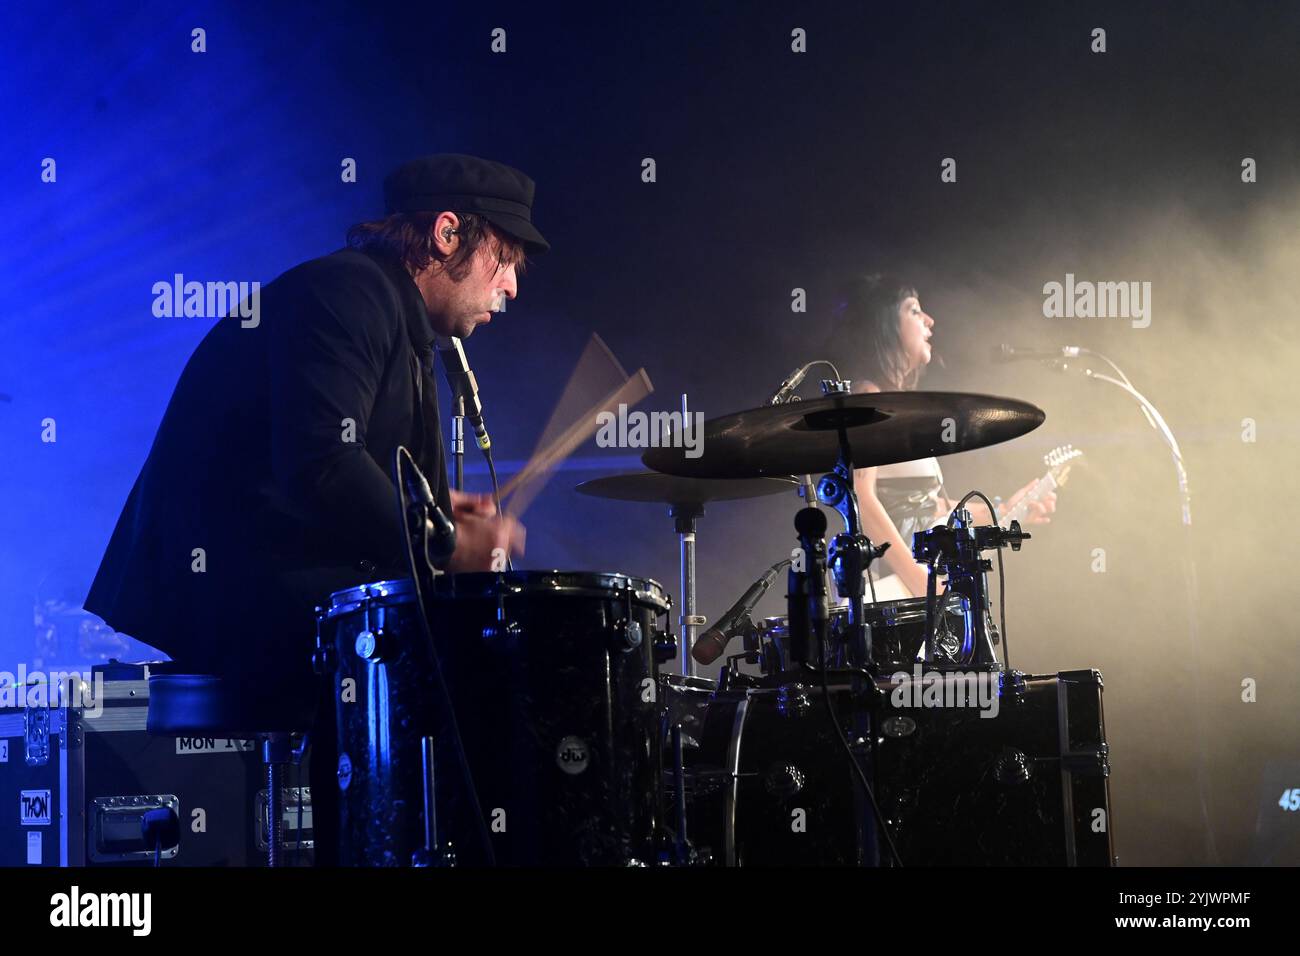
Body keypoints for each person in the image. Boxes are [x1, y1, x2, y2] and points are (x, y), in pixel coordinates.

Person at [84, 154, 540, 860]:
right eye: (503, 259)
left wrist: (439, 506)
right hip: (235, 588)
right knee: (465, 668)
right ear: (447, 234)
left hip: (283, 575)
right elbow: (320, 465)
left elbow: (348, 461)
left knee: (469, 648)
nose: (510, 286)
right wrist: (445, 544)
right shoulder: (347, 294)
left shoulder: (395, 319)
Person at [828, 274, 1055, 600]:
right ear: (885, 325)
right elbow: (860, 499)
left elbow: (921, 507)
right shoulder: (868, 397)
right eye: (915, 310)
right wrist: (919, 581)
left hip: (916, 581)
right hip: (888, 589)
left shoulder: (898, 406)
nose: (930, 321)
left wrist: (1006, 509)